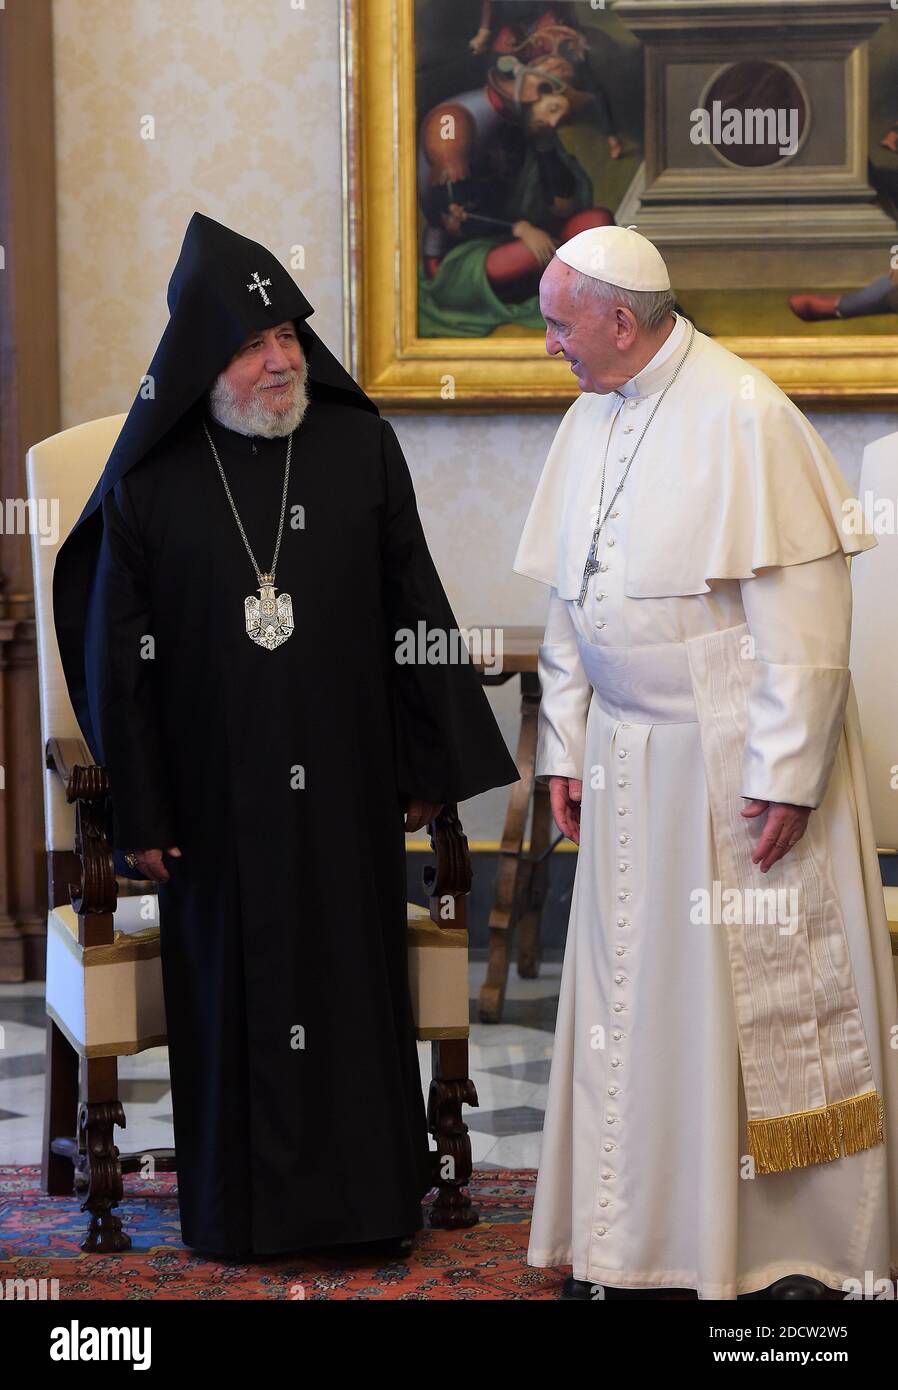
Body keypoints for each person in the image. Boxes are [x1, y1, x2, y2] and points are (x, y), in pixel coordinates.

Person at [53, 212, 518, 1259]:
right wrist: (143, 811)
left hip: (348, 780)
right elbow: (117, 663)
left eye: (292, 340)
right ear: (202, 361)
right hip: (214, 807)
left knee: (352, 987)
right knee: (236, 996)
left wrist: (424, 768)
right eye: (256, 345)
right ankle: (241, 1213)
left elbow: (415, 605)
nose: (280, 360)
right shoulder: (151, 481)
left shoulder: (361, 446)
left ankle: (369, 1206)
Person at [514, 225, 898, 1300]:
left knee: (726, 1026)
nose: (549, 346)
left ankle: (768, 1249)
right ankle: (630, 1234)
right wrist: (566, 740)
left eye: (560, 325)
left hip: (726, 767)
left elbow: (807, 616)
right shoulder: (593, 413)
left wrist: (782, 771)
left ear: (620, 322)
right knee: (632, 1012)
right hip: (630, 761)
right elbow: (569, 598)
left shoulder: (745, 414)